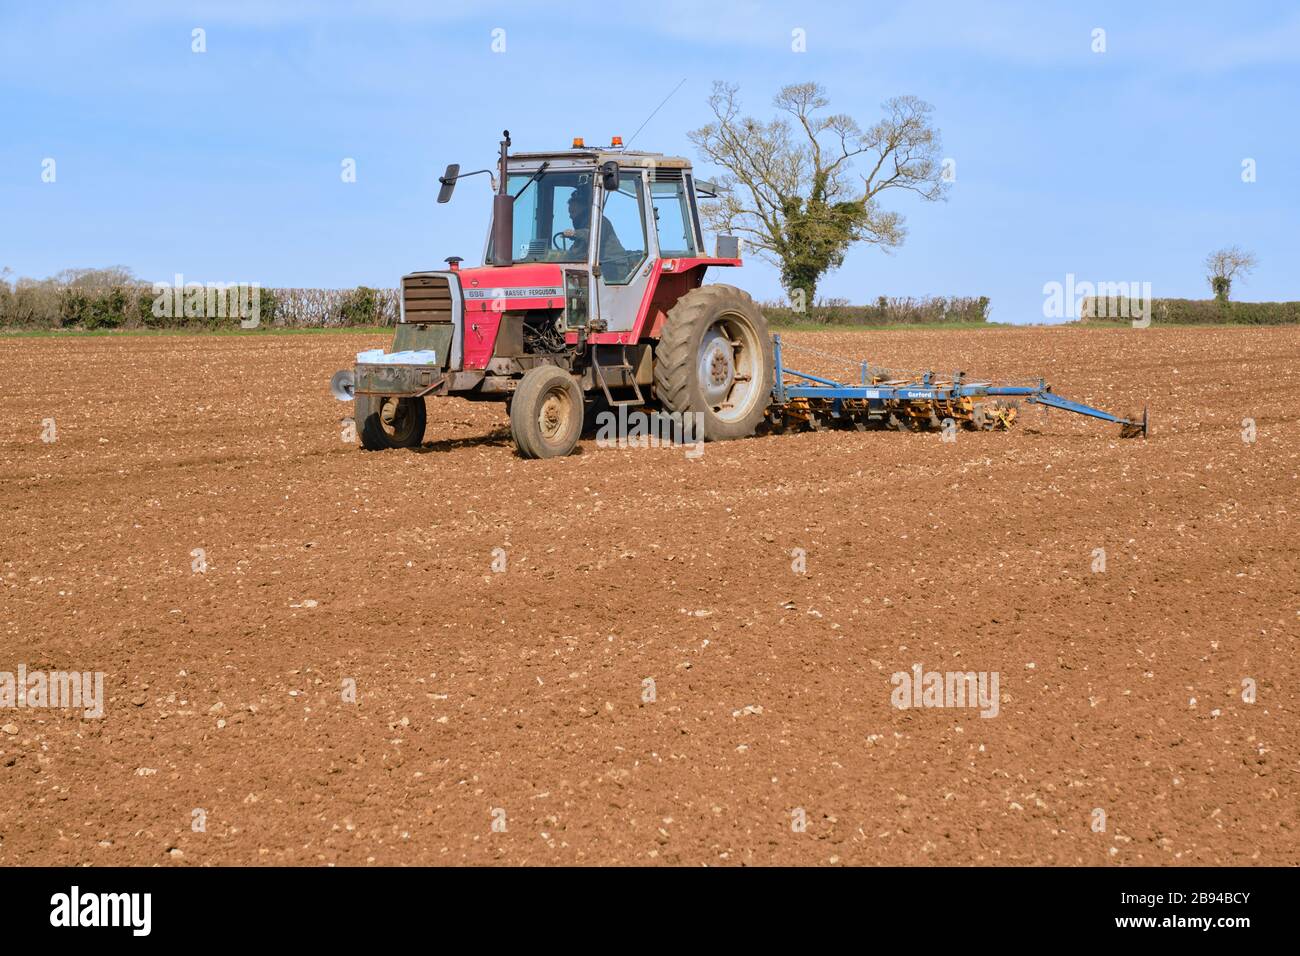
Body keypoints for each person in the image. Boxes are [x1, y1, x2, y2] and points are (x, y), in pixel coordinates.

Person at [563, 187, 625, 263]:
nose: (570, 216)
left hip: (613, 265)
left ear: (584, 208)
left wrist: (575, 233)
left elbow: (593, 235)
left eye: (573, 211)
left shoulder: (599, 221)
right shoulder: (583, 224)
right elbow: (577, 251)